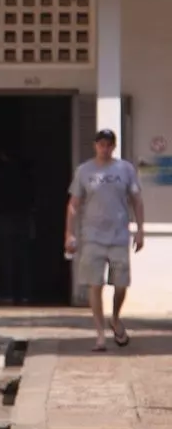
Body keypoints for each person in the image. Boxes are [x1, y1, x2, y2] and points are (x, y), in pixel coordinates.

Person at [65, 129, 145, 352]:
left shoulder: (125, 169)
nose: (105, 148)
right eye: (101, 144)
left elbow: (137, 201)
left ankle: (116, 318)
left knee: (121, 285)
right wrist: (69, 233)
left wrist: (140, 230)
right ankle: (100, 334)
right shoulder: (84, 171)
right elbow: (73, 204)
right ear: (95, 145)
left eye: (109, 144)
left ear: (114, 146)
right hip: (92, 236)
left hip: (119, 235)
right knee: (95, 284)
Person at [0, 149, 36, 305]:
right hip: (22, 220)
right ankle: (24, 294)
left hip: (5, 220)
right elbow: (32, 203)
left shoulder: (0, 176)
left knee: (5, 259)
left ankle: (6, 293)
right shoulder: (26, 177)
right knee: (23, 259)